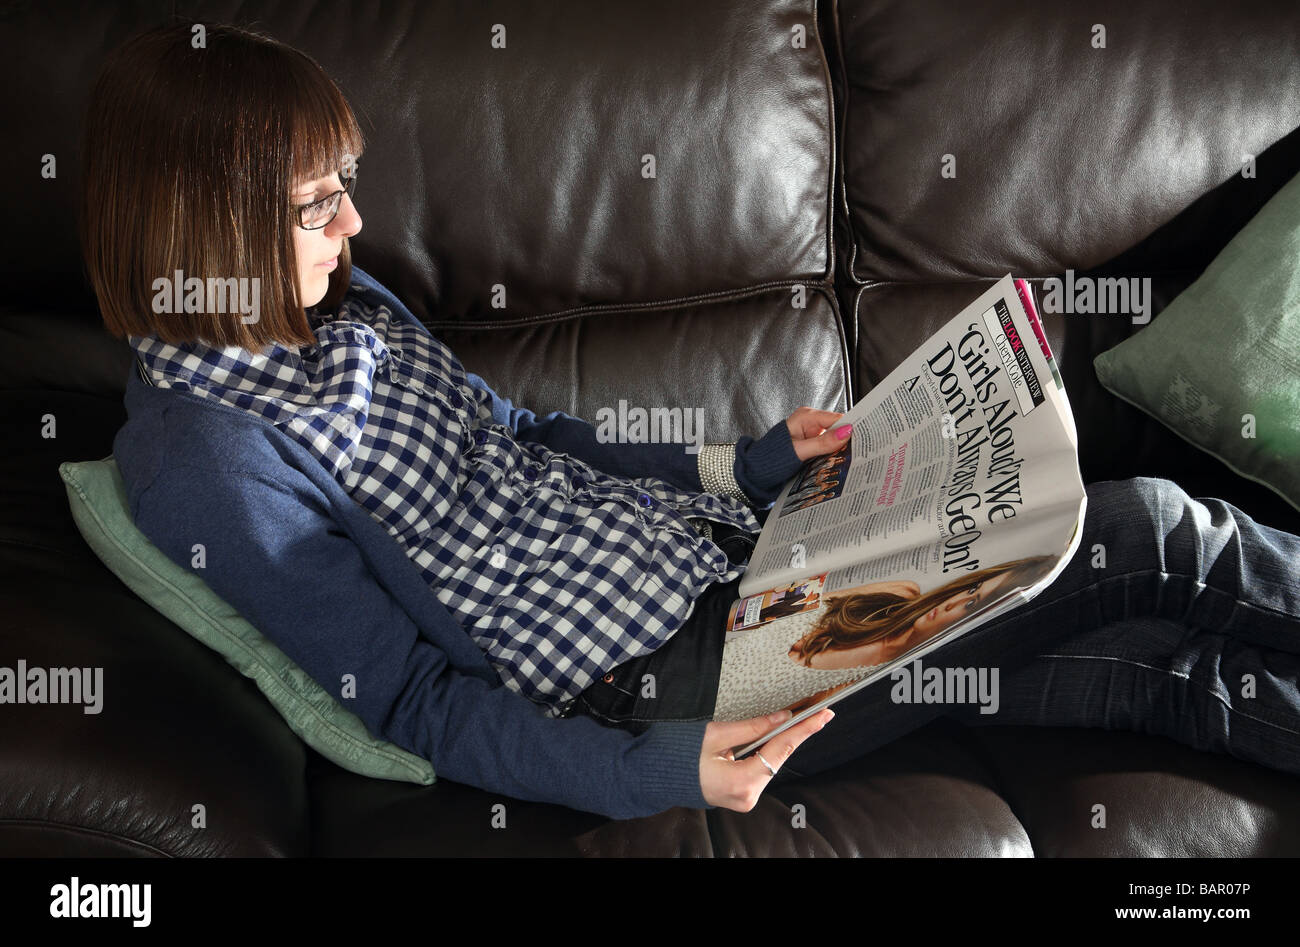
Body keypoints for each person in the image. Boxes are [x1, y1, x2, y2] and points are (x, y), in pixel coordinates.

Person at [82, 22, 1300, 822]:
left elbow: (520, 430)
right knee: (1145, 531)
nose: (353, 223)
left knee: (1149, 676)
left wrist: (750, 460)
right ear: (204, 221)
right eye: (312, 203)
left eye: (344, 185)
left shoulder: (344, 307)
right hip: (686, 678)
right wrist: (659, 771)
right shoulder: (205, 457)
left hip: (739, 558)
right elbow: (406, 701)